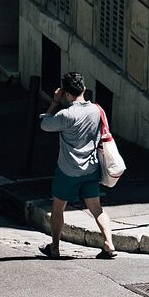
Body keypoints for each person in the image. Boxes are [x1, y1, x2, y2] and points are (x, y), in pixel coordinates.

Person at [38, 72, 116, 259]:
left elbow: (45, 124)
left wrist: (55, 102)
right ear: (83, 88)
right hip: (91, 168)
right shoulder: (96, 110)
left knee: (58, 208)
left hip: (68, 169)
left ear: (65, 93)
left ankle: (55, 247)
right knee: (96, 208)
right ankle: (109, 243)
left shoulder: (66, 114)